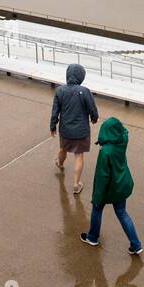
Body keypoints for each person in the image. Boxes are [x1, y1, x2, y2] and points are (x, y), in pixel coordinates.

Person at [80, 117, 143, 255]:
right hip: (121, 184)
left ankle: (92, 237)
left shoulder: (105, 151)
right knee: (122, 213)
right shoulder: (123, 140)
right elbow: (124, 131)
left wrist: (97, 196)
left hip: (110, 187)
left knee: (97, 209)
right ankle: (136, 244)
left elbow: (103, 176)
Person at [50, 63, 98, 194]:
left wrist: (53, 126)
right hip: (81, 131)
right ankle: (76, 184)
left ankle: (60, 163)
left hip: (65, 130)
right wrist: (94, 118)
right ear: (81, 77)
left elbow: (55, 111)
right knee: (79, 155)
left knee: (63, 148)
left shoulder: (60, 90)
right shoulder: (84, 91)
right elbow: (92, 108)